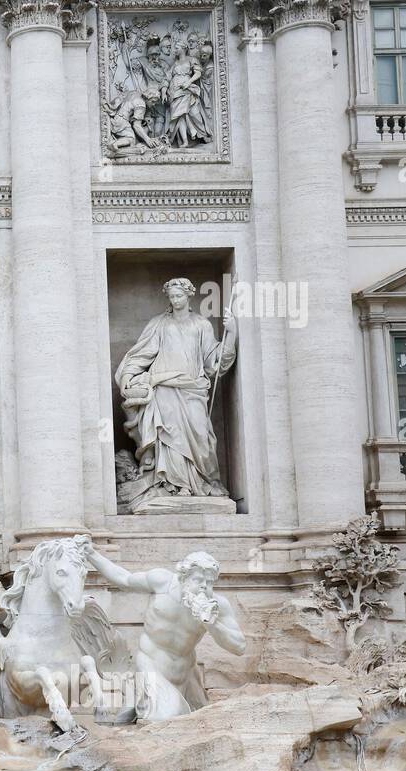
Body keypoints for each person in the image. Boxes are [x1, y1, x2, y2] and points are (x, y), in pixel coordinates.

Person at [115, 277, 235, 508]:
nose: (175, 300)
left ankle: (202, 482)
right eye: (171, 297)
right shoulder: (159, 323)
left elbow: (214, 363)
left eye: (179, 295)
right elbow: (142, 354)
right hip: (164, 388)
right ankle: (173, 485)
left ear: (189, 296)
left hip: (193, 388)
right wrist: (128, 376)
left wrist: (232, 334)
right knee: (169, 438)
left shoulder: (202, 325)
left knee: (201, 435)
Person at [86, 547, 245, 720]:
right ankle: (141, 703)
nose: (204, 587)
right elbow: (123, 579)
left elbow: (239, 647)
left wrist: (211, 623)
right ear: (184, 577)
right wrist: (91, 554)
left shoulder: (217, 606)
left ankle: (131, 709)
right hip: (150, 667)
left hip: (185, 676)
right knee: (168, 717)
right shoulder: (162, 582)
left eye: (209, 582)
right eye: (198, 580)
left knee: (197, 722)